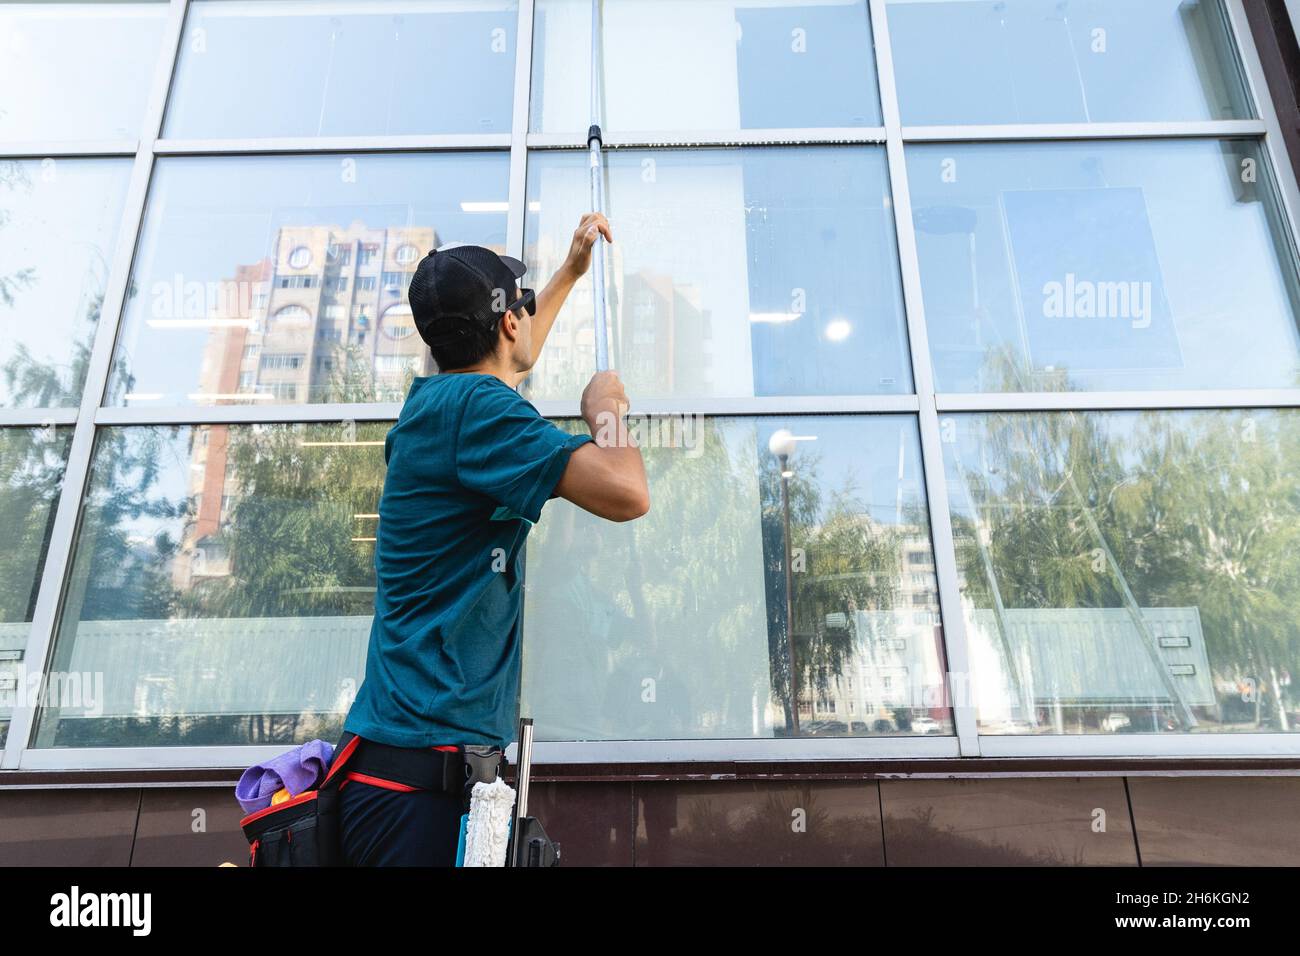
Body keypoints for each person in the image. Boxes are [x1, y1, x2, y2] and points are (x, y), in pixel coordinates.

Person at [336, 212, 649, 866]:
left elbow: (519, 356)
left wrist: (571, 270)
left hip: (399, 771)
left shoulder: (439, 405)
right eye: (522, 307)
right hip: (421, 784)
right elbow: (626, 491)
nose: (529, 317)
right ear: (508, 323)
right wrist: (606, 412)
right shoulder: (479, 413)